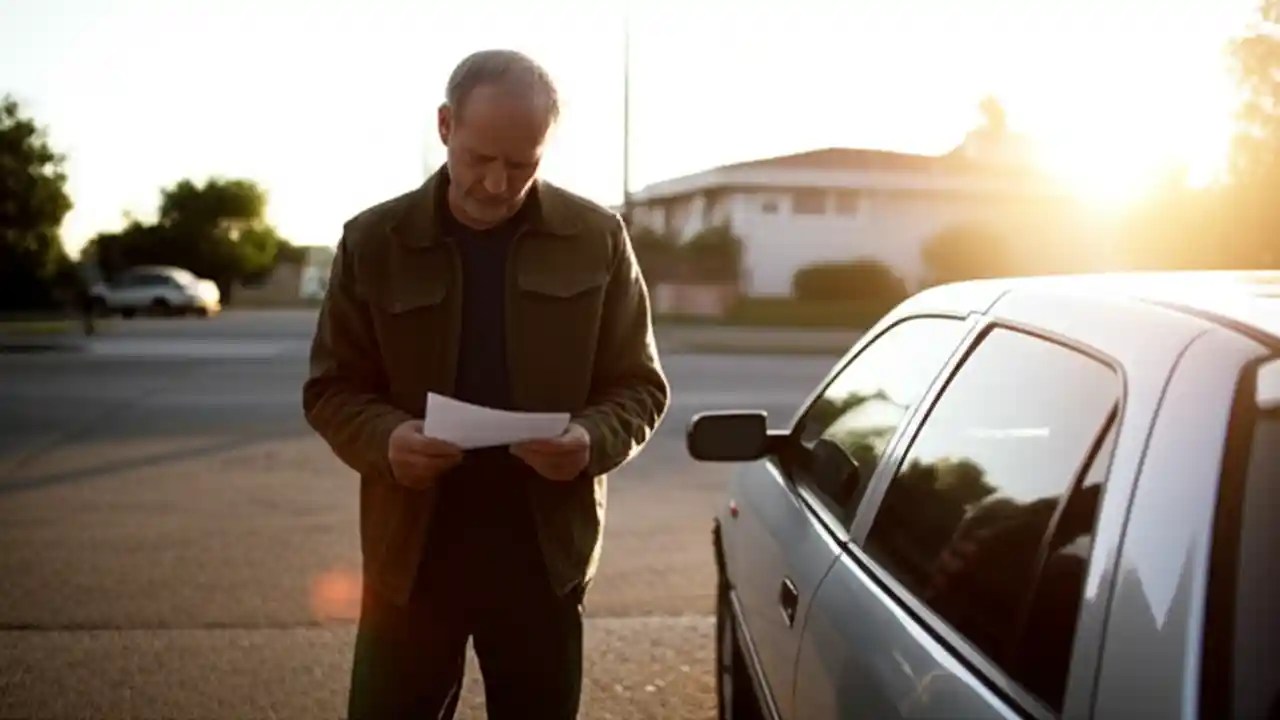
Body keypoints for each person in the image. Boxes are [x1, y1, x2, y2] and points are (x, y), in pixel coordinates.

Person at [302, 49, 670, 719]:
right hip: (411, 556)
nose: (499, 185)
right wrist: (387, 439)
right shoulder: (374, 240)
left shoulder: (597, 237)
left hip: (543, 559)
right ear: (445, 126)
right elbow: (331, 387)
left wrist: (591, 439)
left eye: (522, 165)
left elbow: (639, 386)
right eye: (481, 160)